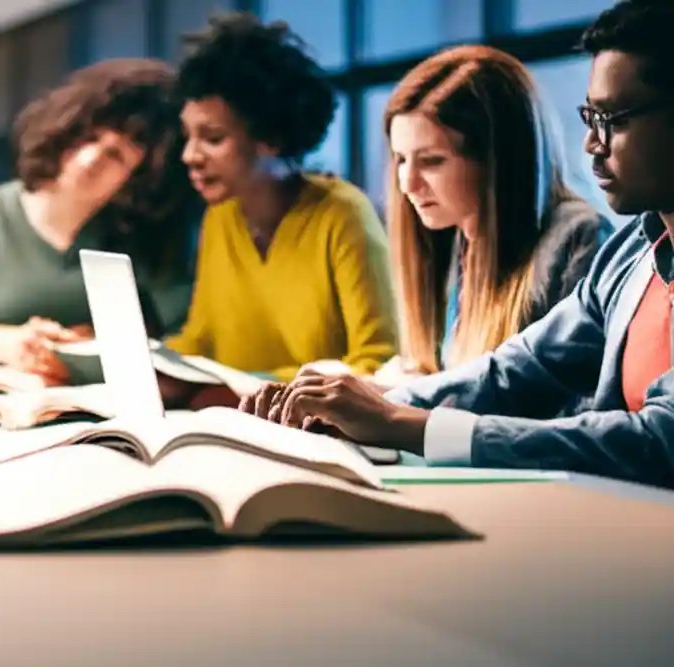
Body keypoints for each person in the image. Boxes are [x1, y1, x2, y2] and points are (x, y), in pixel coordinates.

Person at [242, 0, 674, 486]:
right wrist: (362, 406)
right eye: (591, 117)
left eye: (616, 119)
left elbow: (658, 440)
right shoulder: (629, 258)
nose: (592, 145)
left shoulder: (582, 237)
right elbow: (515, 370)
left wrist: (404, 424)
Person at [0, 58, 194, 384]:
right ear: (66, 125)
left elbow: (185, 352)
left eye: (116, 155)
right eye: (89, 136)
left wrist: (73, 363)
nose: (88, 159)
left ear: (139, 180)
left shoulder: (141, 236)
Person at [163, 13, 397, 408]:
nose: (189, 156)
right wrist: (151, 361)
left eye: (213, 138)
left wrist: (248, 387)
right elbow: (200, 340)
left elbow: (378, 363)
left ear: (270, 137)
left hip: (317, 431)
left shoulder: (341, 214)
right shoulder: (220, 217)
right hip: (234, 423)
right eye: (188, 137)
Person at [369, 45, 611, 384]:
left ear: (499, 161)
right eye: (401, 159)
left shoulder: (578, 237)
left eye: (432, 161)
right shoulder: (456, 233)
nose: (408, 184)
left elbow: (558, 405)